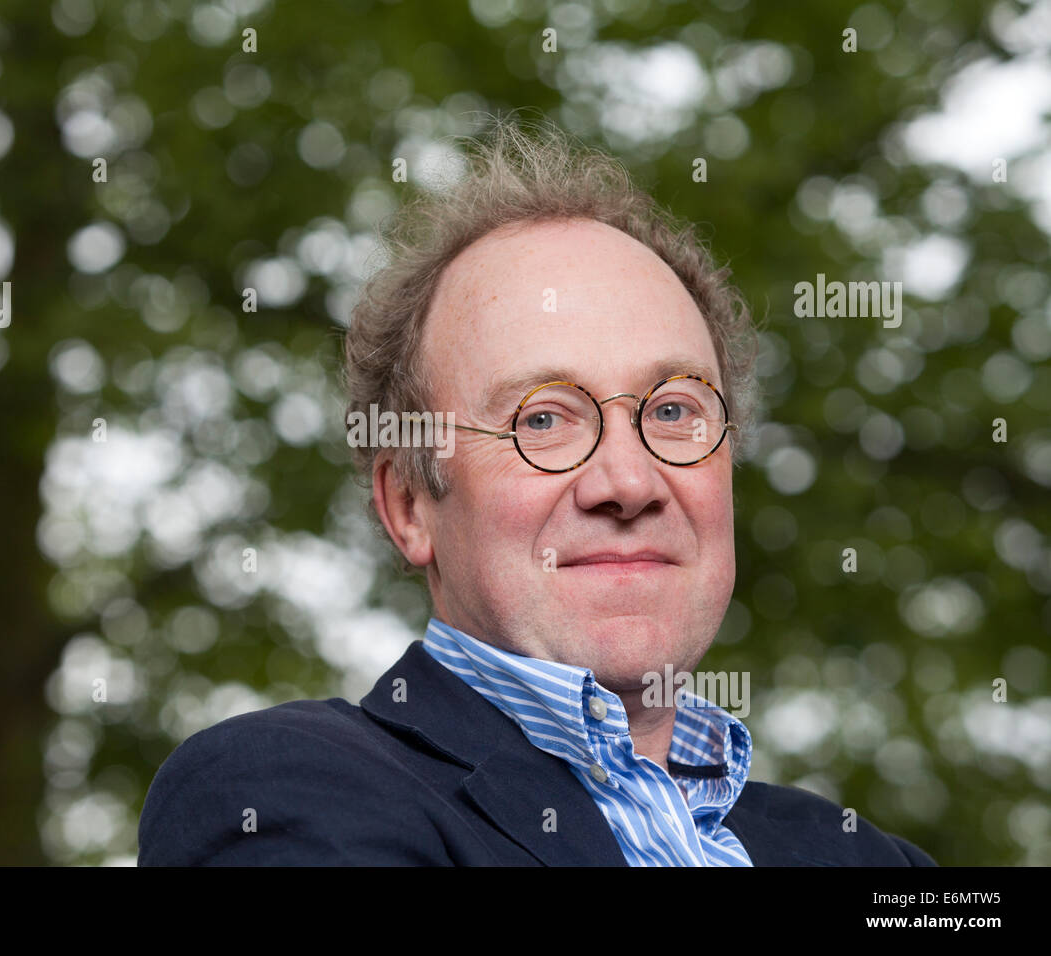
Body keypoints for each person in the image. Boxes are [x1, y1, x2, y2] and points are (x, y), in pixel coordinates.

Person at [138, 116, 937, 866]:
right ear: (410, 505)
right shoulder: (283, 791)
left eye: (671, 410)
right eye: (544, 420)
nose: (628, 482)